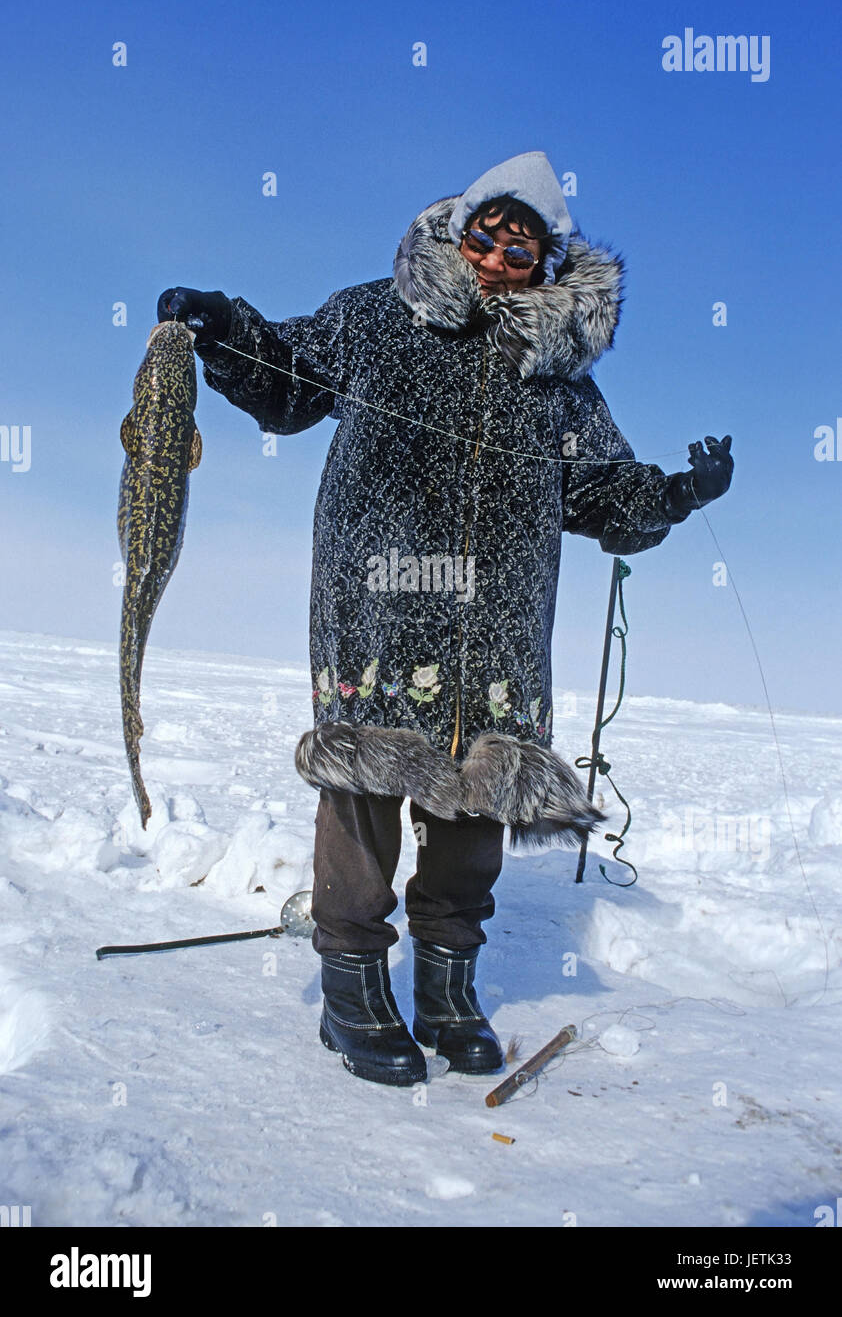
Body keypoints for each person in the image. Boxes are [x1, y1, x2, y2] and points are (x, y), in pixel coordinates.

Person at [157, 150, 733, 1088]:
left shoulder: (558, 377)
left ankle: (447, 989)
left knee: (477, 806)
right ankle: (351, 985)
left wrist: (678, 492)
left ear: (547, 262)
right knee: (368, 784)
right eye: (487, 235)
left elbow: (599, 495)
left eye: (524, 244)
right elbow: (288, 382)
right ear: (459, 233)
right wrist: (224, 326)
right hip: (379, 601)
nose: (501, 256)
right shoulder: (379, 316)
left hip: (500, 624)